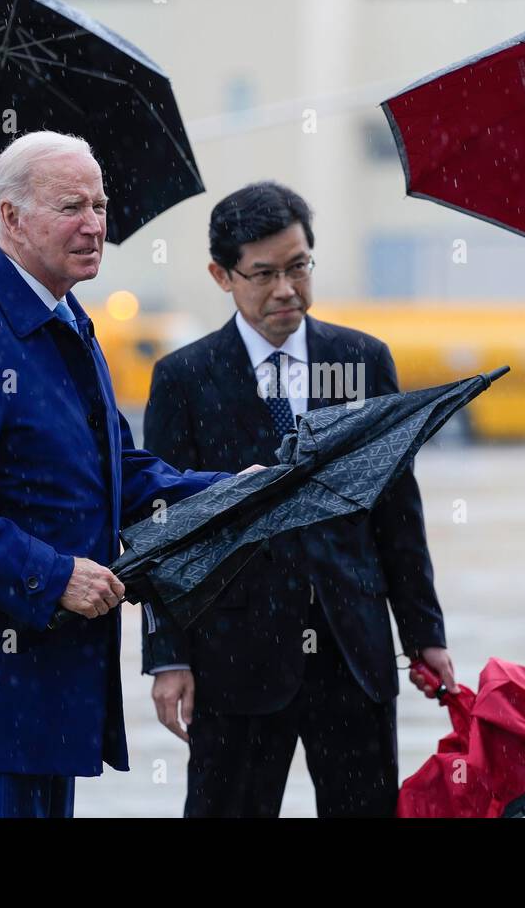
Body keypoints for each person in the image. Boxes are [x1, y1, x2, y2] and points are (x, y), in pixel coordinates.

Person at [0, 131, 237, 818]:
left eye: (101, 205)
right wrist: (54, 576)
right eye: (73, 205)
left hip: (45, 679)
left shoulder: (64, 318)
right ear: (11, 220)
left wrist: (236, 489)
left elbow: (116, 474)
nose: (96, 224)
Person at [142, 181, 453, 817]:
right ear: (221, 275)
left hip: (353, 648)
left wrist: (424, 632)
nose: (285, 289)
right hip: (234, 656)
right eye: (263, 274)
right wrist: (167, 657)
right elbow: (163, 529)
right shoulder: (184, 379)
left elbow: (398, 510)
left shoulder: (362, 361)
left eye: (298, 266)